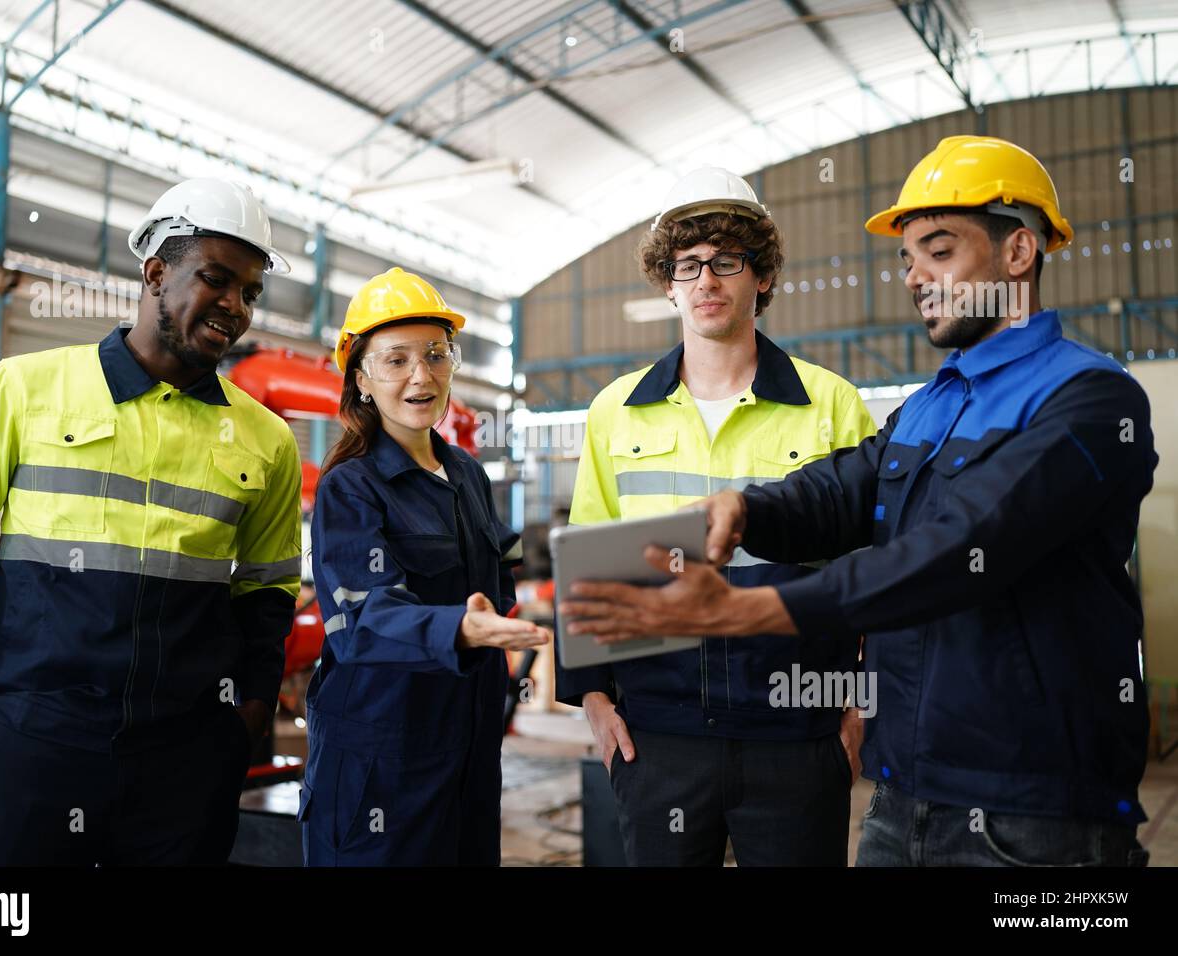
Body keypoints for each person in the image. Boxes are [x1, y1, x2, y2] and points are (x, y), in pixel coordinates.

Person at [562, 137, 1156, 867]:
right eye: (908, 259)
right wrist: (745, 510)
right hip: (904, 793)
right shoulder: (930, 407)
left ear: (1019, 252)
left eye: (938, 251)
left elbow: (959, 549)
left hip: (1029, 806)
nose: (915, 277)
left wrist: (755, 616)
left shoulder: (1088, 398)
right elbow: (841, 489)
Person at [0, 178, 304, 865]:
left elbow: (267, 600)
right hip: (30, 750)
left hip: (185, 768)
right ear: (154, 272)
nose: (235, 308)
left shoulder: (266, 440)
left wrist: (243, 725)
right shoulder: (17, 392)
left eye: (249, 292)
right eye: (216, 279)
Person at [555, 167, 878, 866]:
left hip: (799, 733)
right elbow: (585, 563)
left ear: (760, 277)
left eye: (727, 261)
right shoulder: (616, 411)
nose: (707, 280)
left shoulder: (832, 405)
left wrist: (860, 712)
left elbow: (876, 572)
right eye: (689, 265)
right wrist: (593, 701)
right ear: (667, 282)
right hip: (657, 736)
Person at [301, 267, 549, 866]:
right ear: (361, 378)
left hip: (468, 753)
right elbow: (359, 621)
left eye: (436, 355)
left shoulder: (467, 473)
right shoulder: (350, 488)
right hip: (381, 761)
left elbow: (500, 568)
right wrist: (459, 629)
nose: (421, 375)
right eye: (396, 360)